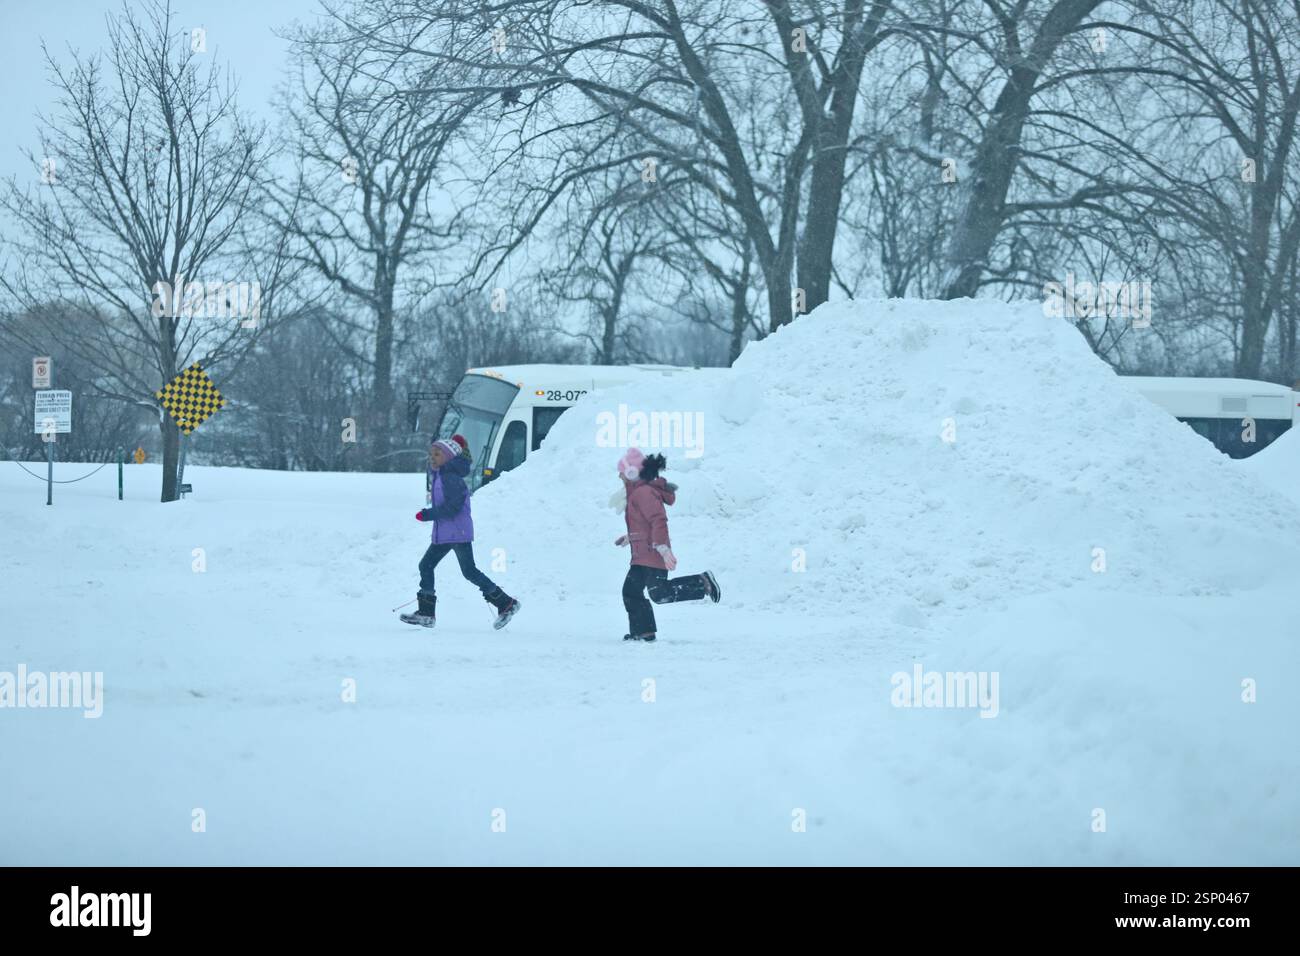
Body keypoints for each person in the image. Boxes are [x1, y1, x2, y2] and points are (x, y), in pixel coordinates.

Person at [400, 434, 520, 630]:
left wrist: (428, 514)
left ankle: (506, 603)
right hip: (449, 532)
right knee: (437, 567)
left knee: (457, 570)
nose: (433, 457)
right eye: (431, 453)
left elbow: (453, 507)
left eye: (437, 454)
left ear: (448, 457)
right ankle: (427, 613)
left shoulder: (450, 478)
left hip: (456, 532)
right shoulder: (441, 475)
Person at [615, 447, 720, 643]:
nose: (619, 475)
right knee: (631, 591)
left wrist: (663, 549)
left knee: (659, 593)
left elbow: (658, 520)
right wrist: (631, 537)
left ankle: (702, 582)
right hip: (642, 553)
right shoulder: (638, 492)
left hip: (652, 552)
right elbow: (644, 523)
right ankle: (643, 632)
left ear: (631, 472)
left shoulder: (644, 493)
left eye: (622, 471)